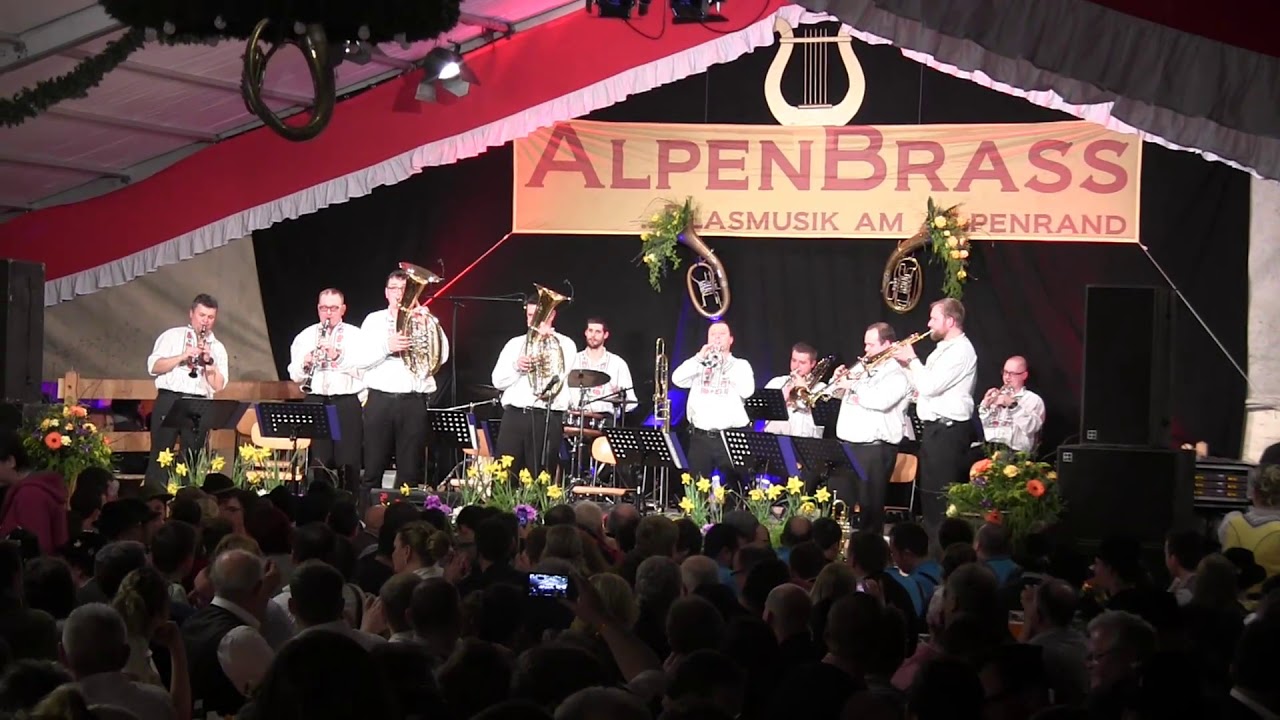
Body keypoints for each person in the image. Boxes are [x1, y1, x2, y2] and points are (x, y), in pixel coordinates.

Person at [358, 269, 450, 491]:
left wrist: (428, 323)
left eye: (404, 289)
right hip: (380, 401)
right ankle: (366, 518)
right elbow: (359, 358)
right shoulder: (374, 320)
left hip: (412, 402)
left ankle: (403, 520)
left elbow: (442, 355)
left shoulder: (424, 319)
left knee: (409, 472)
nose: (399, 294)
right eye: (394, 289)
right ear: (386, 293)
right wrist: (386, 347)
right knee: (372, 468)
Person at [894, 298, 977, 531]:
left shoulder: (961, 350)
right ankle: (932, 552)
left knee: (940, 499)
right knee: (929, 497)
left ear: (950, 321)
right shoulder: (941, 350)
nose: (929, 324)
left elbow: (930, 387)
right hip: (934, 431)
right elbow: (922, 387)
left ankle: (942, 555)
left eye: (934, 319)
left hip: (949, 431)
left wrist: (912, 359)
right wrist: (904, 365)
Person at [832, 323, 912, 535]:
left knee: (870, 509)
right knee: (841, 503)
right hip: (848, 445)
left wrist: (855, 386)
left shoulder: (897, 373)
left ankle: (868, 557)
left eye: (871, 344)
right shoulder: (862, 366)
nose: (865, 350)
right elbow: (837, 393)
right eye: (865, 344)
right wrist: (837, 380)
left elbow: (881, 400)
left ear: (887, 344)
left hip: (874, 449)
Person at [143, 294, 229, 492]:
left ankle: (187, 503)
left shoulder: (218, 348)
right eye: (201, 315)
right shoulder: (171, 336)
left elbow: (218, 385)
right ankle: (153, 501)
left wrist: (209, 363)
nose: (205, 321)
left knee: (192, 457)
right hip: (169, 398)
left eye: (210, 317)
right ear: (191, 314)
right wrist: (183, 356)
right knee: (160, 454)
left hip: (198, 403)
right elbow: (154, 366)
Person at [287, 289, 366, 489]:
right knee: (319, 461)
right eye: (324, 308)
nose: (328, 313)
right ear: (318, 309)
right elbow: (294, 375)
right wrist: (306, 363)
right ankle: (318, 504)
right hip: (316, 400)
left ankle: (349, 506)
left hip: (345, 402)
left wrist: (336, 356)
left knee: (347, 460)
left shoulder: (356, 335)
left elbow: (364, 372)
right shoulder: (305, 336)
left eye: (333, 308)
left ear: (343, 309)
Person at [491, 292, 578, 477]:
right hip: (515, 416)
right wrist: (517, 367)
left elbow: (560, 376)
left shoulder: (565, 344)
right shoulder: (515, 344)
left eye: (538, 316)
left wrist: (543, 345)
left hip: (546, 417)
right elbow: (497, 381)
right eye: (530, 316)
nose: (532, 321)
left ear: (552, 315)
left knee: (539, 479)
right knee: (503, 477)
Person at [671, 321, 755, 481]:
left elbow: (747, 391)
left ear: (731, 339)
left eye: (722, 334)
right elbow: (677, 379)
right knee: (698, 489)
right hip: (700, 438)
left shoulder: (740, 365)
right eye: (713, 335)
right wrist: (699, 358)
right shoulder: (699, 364)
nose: (717, 338)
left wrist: (725, 366)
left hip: (730, 437)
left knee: (735, 490)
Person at [568, 317, 638, 416]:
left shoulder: (618, 364)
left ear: (605, 335)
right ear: (585, 332)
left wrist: (620, 396)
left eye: (598, 332)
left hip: (605, 419)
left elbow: (631, 403)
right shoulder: (573, 360)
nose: (593, 335)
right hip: (576, 417)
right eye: (590, 331)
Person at [977, 355, 1045, 454]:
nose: (1007, 377)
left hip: (1017, 454)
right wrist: (985, 407)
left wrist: (1013, 405)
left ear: (1024, 375)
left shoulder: (1033, 399)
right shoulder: (996, 396)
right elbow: (986, 427)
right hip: (991, 451)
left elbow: (1032, 428)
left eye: (1012, 373)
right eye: (1005, 372)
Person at [762, 342, 823, 439]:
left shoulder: (820, 388)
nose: (796, 366)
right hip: (776, 439)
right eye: (794, 360)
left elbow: (823, 418)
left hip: (807, 442)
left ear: (813, 364)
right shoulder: (777, 383)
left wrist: (804, 389)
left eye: (802, 363)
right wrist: (782, 399)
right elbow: (761, 412)